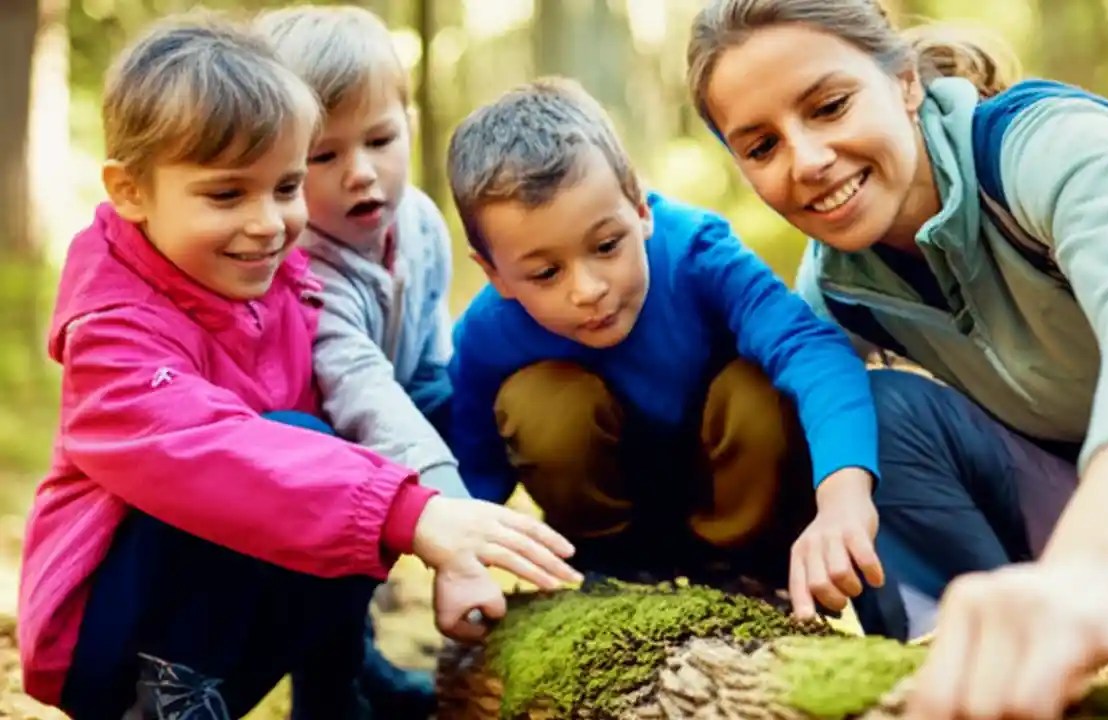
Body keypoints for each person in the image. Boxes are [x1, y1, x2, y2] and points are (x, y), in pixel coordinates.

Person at [686, 0, 1108, 717]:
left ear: (905, 82)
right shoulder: (841, 286)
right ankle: (954, 674)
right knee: (868, 417)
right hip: (1096, 510)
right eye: (760, 148)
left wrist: (1101, 564)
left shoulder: (1051, 144)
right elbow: (752, 419)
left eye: (831, 106)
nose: (806, 162)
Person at [17, 15, 579, 720]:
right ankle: (167, 705)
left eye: (285, 188)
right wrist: (411, 513)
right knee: (299, 446)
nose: (268, 223)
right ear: (130, 191)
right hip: (108, 639)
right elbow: (208, 453)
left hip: (224, 631)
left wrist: (443, 525)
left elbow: (357, 421)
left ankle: (340, 687)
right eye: (227, 195)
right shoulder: (113, 326)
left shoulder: (287, 284)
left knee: (334, 453)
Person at [443, 77, 914, 633]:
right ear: (493, 272)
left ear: (640, 209)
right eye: (546, 273)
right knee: (538, 402)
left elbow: (812, 350)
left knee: (759, 386)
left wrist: (841, 497)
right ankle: (616, 577)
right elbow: (472, 471)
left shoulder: (696, 253)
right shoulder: (487, 334)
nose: (588, 288)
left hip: (739, 506)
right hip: (611, 533)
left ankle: (748, 582)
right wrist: (458, 563)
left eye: (607, 246)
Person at [258, 6, 464, 713]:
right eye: (324, 156)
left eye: (381, 139)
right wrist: (449, 516)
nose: (361, 172)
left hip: (405, 404)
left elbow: (435, 336)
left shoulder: (423, 222)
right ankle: (329, 687)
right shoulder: (303, 267)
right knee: (333, 569)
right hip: (328, 442)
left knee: (474, 404)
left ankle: (381, 653)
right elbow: (358, 386)